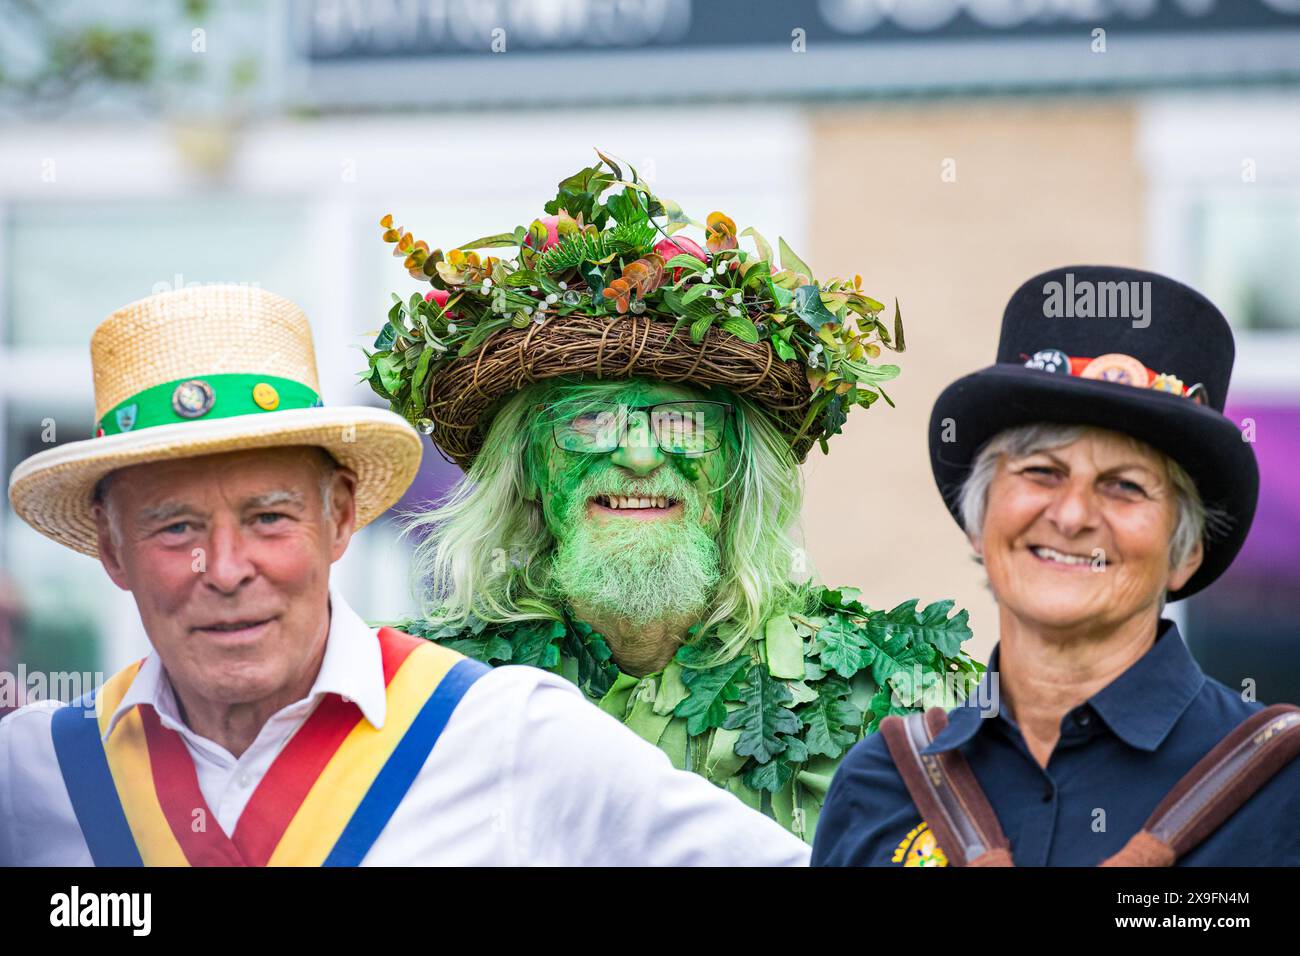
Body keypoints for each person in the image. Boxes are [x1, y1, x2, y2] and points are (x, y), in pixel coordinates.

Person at [0, 284, 809, 866]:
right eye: (174, 528)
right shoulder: (28, 776)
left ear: (342, 516)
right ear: (111, 549)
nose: (227, 568)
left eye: (269, 517)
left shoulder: (508, 734)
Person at [365, 152, 980, 843]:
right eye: (590, 421)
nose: (636, 454)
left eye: (679, 421)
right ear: (530, 466)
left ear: (737, 466)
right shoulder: (420, 697)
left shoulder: (901, 700)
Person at [812, 265, 1300, 867]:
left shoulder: (1283, 792)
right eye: (1041, 472)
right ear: (978, 520)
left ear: (1186, 551)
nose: (1071, 517)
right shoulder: (881, 788)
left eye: (1124, 486)